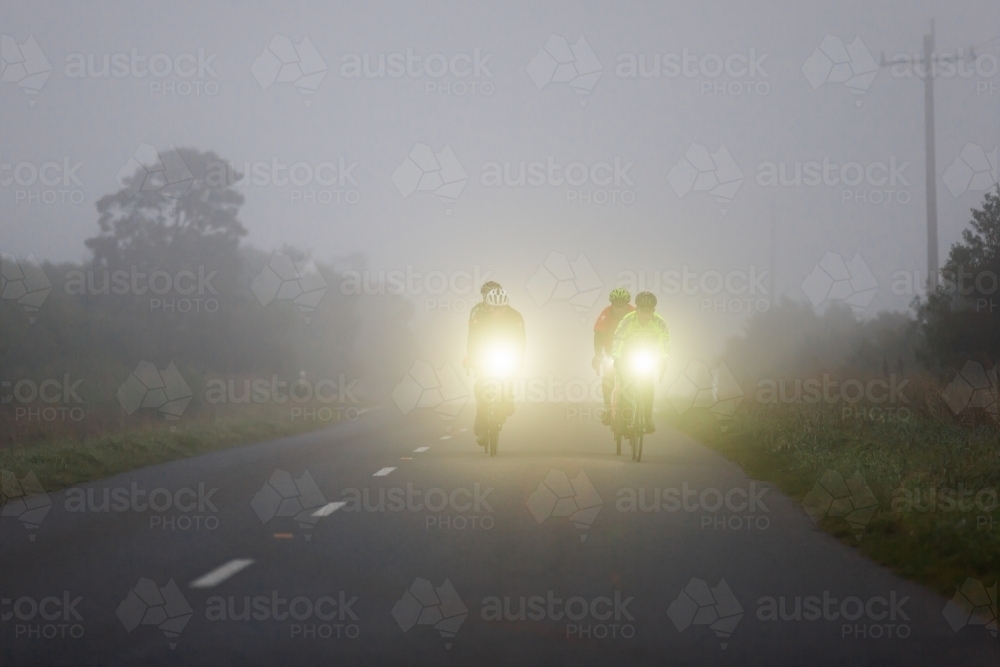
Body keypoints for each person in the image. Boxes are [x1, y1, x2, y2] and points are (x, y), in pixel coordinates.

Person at [465, 287, 525, 446]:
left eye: (502, 308)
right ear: (489, 307)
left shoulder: (516, 317)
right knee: (480, 387)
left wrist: (519, 360)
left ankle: (508, 397)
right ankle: (481, 422)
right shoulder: (479, 316)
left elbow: (521, 341)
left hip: (507, 354)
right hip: (485, 355)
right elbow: (472, 340)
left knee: (510, 375)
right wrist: (472, 358)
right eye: (494, 309)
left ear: (507, 306)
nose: (498, 312)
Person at [610, 291, 669, 433]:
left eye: (649, 311)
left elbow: (664, 344)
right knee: (625, 384)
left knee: (648, 384)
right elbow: (617, 340)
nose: (645, 315)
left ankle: (648, 418)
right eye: (642, 310)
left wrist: (663, 359)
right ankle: (625, 415)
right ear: (637, 309)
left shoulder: (660, 323)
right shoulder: (627, 321)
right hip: (628, 355)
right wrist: (616, 357)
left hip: (647, 355)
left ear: (653, 311)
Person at [592, 287, 635, 424]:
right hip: (611, 351)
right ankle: (607, 408)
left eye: (622, 306)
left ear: (627, 305)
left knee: (633, 375)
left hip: (629, 352)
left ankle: (631, 404)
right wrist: (598, 356)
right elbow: (598, 337)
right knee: (608, 377)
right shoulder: (605, 314)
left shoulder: (634, 313)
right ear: (612, 305)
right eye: (617, 306)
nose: (620, 309)